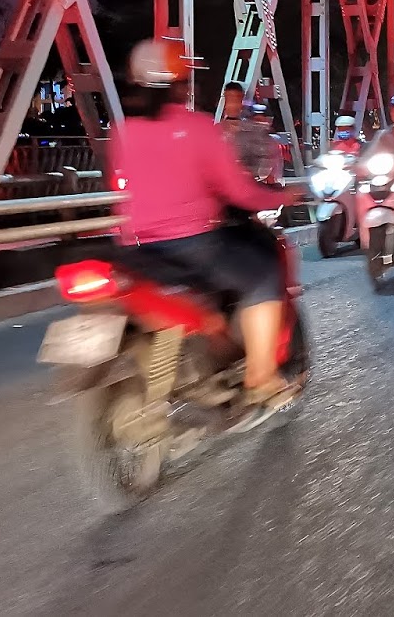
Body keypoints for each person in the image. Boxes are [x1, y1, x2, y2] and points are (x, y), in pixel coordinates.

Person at [113, 39, 305, 412]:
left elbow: (124, 187)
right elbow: (239, 191)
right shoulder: (199, 127)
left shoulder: (124, 131)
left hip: (135, 249)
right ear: (180, 84)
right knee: (264, 274)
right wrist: (283, 197)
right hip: (194, 245)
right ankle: (261, 378)